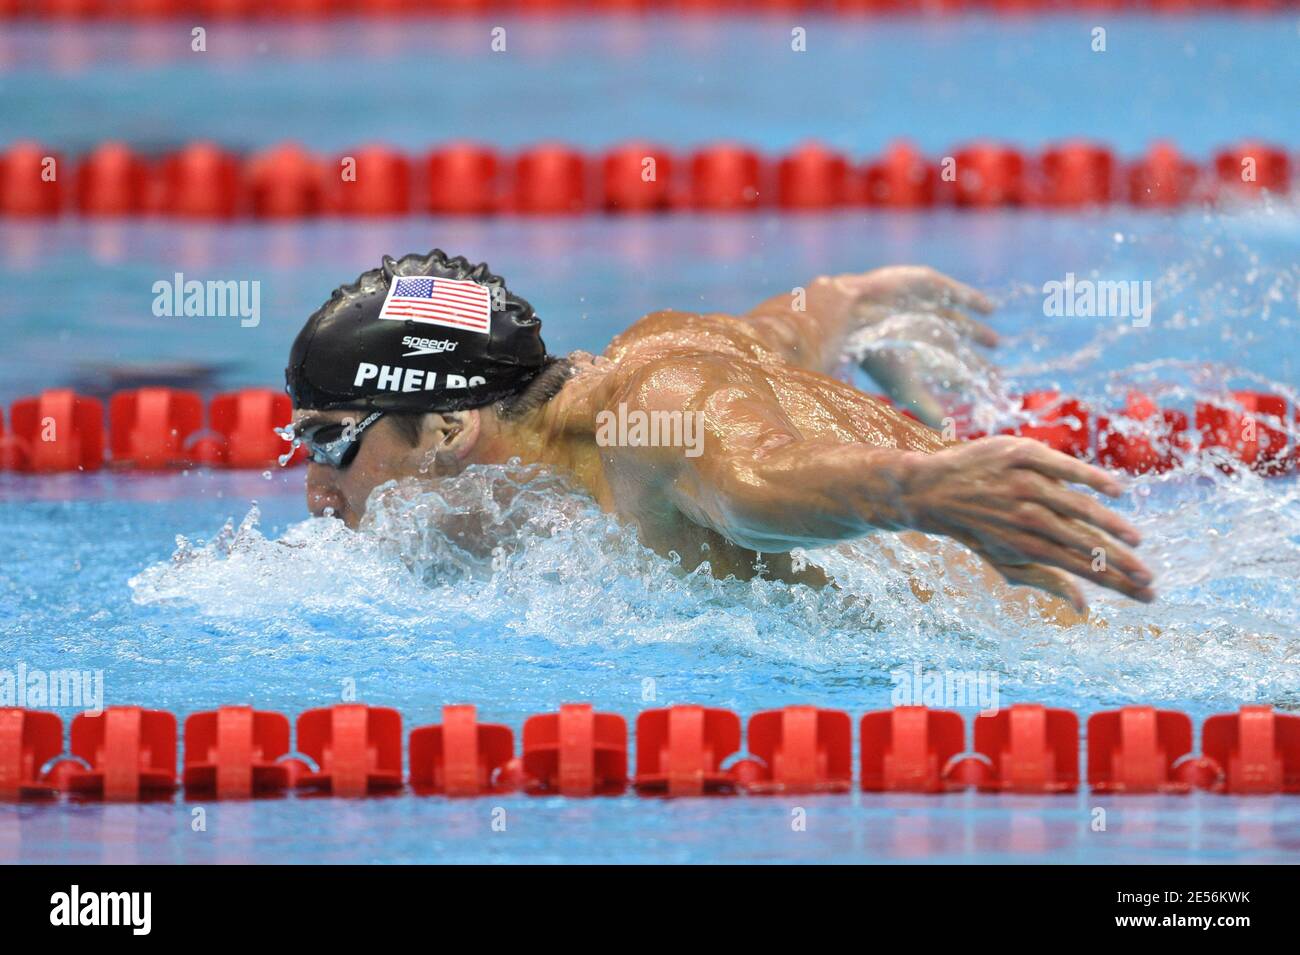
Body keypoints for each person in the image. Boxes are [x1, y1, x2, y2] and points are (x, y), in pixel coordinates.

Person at [285, 249, 1154, 619]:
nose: (318, 492)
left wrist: (927, 491)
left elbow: (757, 480)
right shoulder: (665, 345)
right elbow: (784, 329)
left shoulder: (640, 420)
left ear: (444, 429)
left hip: (1065, 630)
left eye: (332, 443)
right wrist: (860, 305)